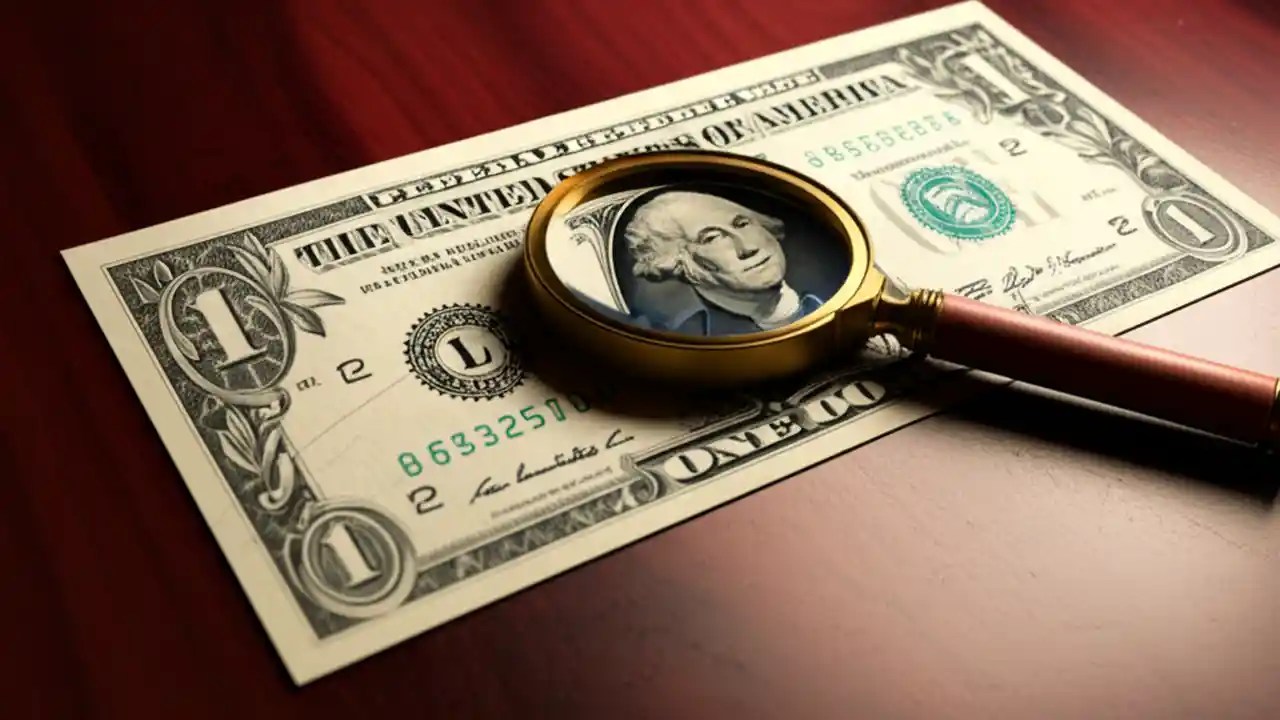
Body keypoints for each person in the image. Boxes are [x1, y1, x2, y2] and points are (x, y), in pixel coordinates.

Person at [620, 189, 825, 336]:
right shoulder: (693, 345)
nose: (747, 247)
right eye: (711, 238)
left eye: (742, 223)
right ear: (677, 262)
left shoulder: (830, 292)